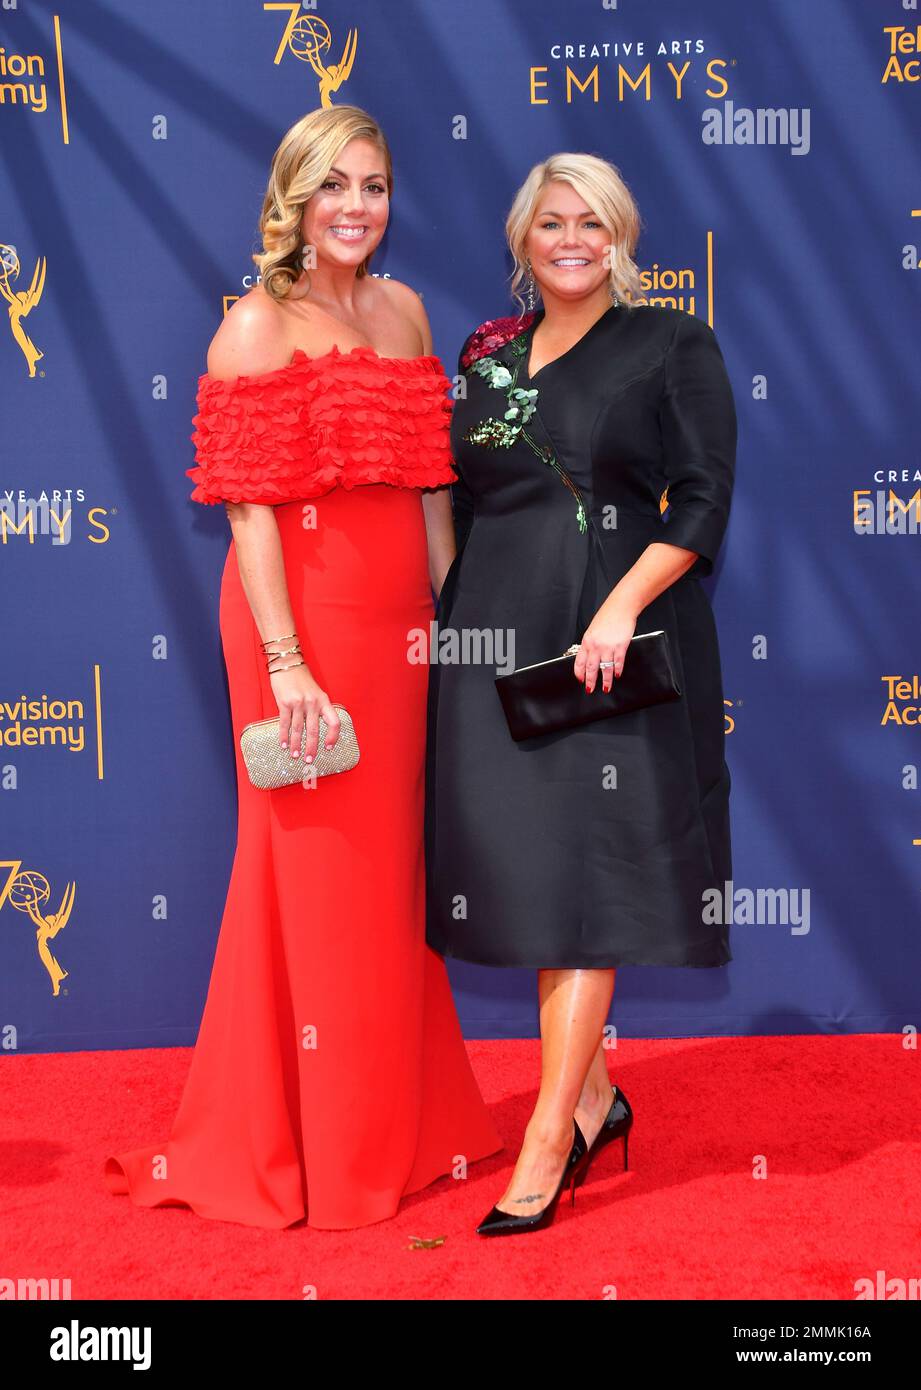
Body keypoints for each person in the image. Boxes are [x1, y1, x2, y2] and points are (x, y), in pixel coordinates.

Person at [104, 105, 503, 1230]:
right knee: (315, 877)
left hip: (402, 630)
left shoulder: (407, 312)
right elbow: (251, 516)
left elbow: (433, 490)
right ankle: (312, 1150)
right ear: (295, 197)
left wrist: (458, 624)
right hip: (305, 629)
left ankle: (396, 1129)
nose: (356, 208)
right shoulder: (253, 329)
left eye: (373, 186)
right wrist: (286, 666)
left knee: (389, 883)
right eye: (334, 186)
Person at [425, 153, 737, 1235]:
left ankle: (548, 1135)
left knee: (587, 892)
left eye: (593, 224)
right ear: (522, 238)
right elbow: (452, 500)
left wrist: (621, 606)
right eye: (552, 222)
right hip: (490, 643)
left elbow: (702, 500)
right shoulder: (486, 356)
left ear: (621, 239)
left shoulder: (671, 344)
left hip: (607, 654)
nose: (571, 240)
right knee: (529, 884)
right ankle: (597, 1096)